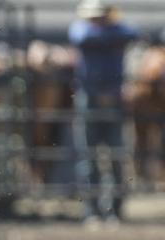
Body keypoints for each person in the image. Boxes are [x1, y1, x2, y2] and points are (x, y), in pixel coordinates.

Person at [69, 0, 138, 225]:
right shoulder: (84, 31)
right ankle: (91, 210)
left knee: (116, 155)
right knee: (88, 156)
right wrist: (109, 36)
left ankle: (114, 210)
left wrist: (106, 34)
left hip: (111, 97)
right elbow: (81, 37)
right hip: (89, 97)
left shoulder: (117, 31)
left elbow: (132, 33)